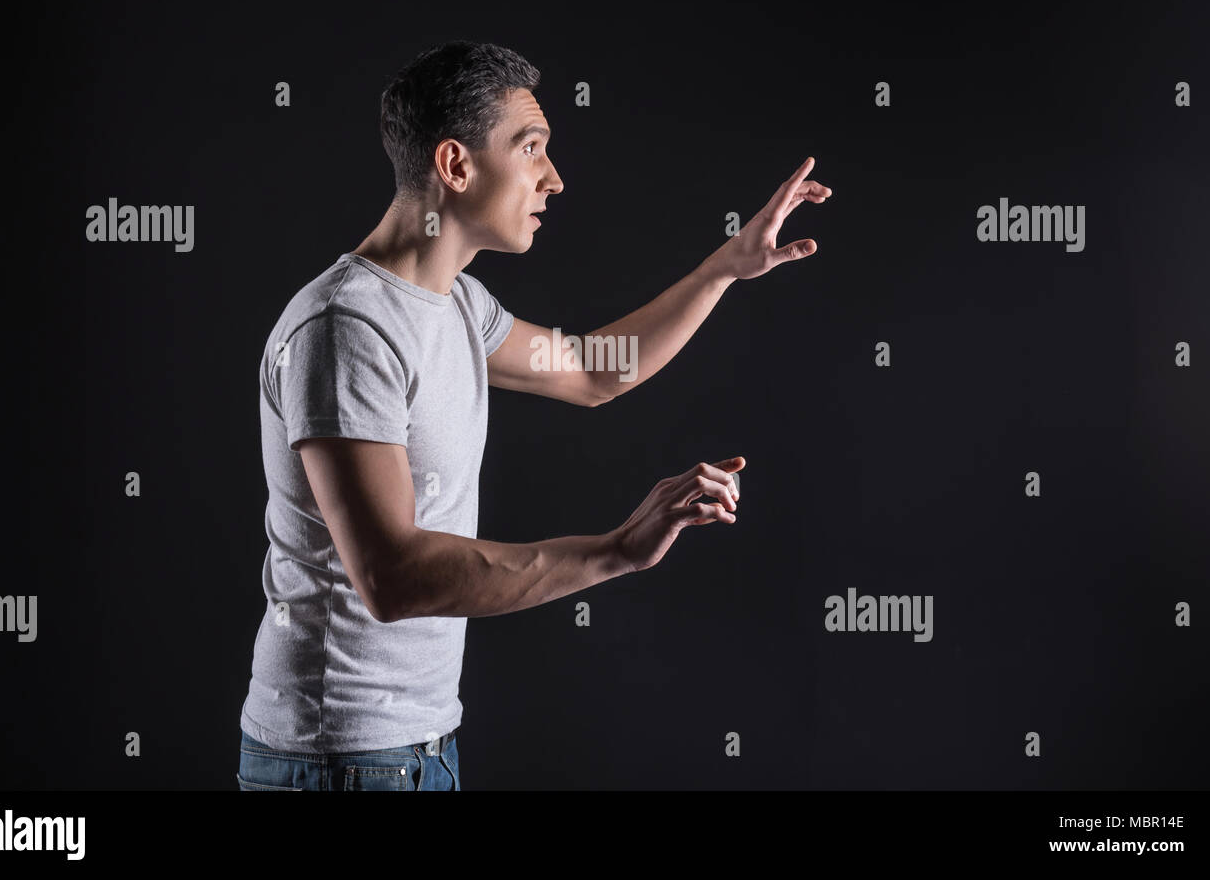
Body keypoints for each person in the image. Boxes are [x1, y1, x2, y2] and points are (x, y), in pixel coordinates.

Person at [237, 40, 832, 791]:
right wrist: (618, 550)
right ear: (456, 166)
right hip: (340, 758)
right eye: (532, 148)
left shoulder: (456, 302)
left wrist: (724, 267)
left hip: (419, 743)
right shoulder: (346, 327)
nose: (553, 178)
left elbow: (590, 370)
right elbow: (392, 575)